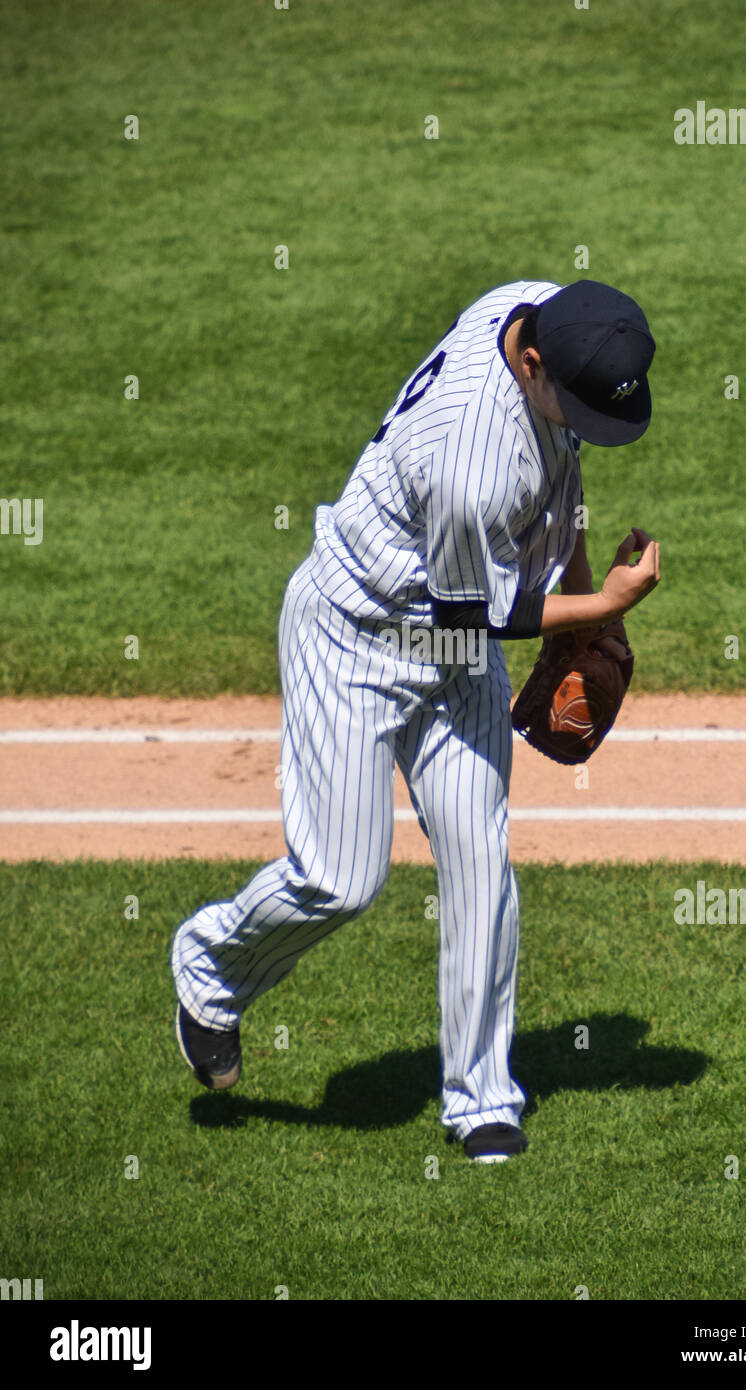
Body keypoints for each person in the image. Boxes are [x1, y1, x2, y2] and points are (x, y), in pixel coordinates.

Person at [171, 277, 661, 1164]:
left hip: (453, 655)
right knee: (340, 878)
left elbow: (562, 471)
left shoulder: (540, 308)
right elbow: (477, 612)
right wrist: (600, 606)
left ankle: (482, 1098)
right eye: (581, 407)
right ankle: (210, 966)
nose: (589, 426)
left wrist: (583, 592)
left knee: (480, 860)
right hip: (354, 638)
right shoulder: (471, 460)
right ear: (533, 362)